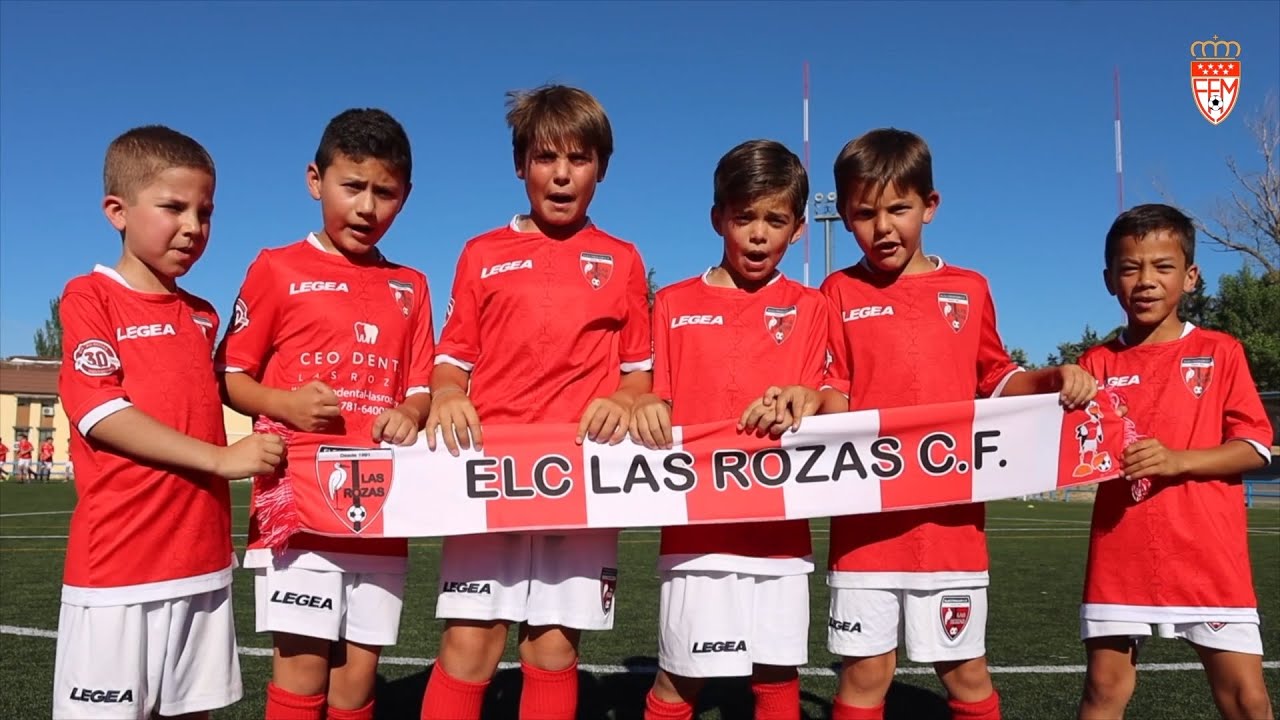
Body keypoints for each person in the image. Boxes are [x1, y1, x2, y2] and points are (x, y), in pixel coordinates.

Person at [818, 128, 1097, 720]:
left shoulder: (968, 289)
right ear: (844, 216)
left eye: (899, 208)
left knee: (964, 671)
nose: (883, 227)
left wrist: (1049, 378)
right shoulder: (837, 290)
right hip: (864, 526)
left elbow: (995, 377)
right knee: (865, 674)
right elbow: (833, 386)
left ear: (930, 206)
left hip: (950, 527)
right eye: (865, 213)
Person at [419, 84, 652, 720]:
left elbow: (639, 374)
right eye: (546, 157)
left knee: (551, 649)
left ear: (600, 168)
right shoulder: (481, 252)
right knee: (471, 643)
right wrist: (445, 393)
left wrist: (626, 401)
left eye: (578, 159)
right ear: (521, 164)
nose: (560, 174)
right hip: (488, 472)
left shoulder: (624, 260)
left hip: (578, 478)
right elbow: (452, 359)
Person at [53, 125, 283, 720]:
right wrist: (220, 459)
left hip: (202, 562)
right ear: (117, 211)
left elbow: (232, 390)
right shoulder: (89, 297)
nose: (193, 227)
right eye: (174, 207)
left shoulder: (203, 315)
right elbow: (101, 413)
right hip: (120, 567)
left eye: (205, 212)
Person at [216, 108, 433, 720]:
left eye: (385, 192)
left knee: (355, 683)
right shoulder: (276, 267)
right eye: (352, 186)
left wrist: (410, 415)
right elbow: (230, 376)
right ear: (316, 180)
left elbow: (420, 388)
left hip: (380, 506)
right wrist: (283, 404)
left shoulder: (411, 286)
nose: (367, 207)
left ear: (405, 197)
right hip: (299, 504)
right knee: (303, 668)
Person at [630, 139, 826, 720]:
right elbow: (650, 393)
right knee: (678, 683)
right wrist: (647, 405)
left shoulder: (812, 307)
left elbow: (826, 398)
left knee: (777, 679)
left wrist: (810, 399)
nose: (759, 234)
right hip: (698, 531)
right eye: (744, 218)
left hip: (781, 531)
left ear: (797, 230)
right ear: (718, 217)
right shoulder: (672, 303)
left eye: (776, 220)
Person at [1076, 204, 1273, 720]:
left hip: (1208, 555)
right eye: (1129, 267)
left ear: (1190, 277)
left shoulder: (1220, 351)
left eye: (1162, 267)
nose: (1145, 281)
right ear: (1108, 279)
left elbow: (1254, 446)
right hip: (1122, 555)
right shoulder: (1094, 363)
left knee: (1245, 698)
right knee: (1103, 691)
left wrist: (1177, 461)